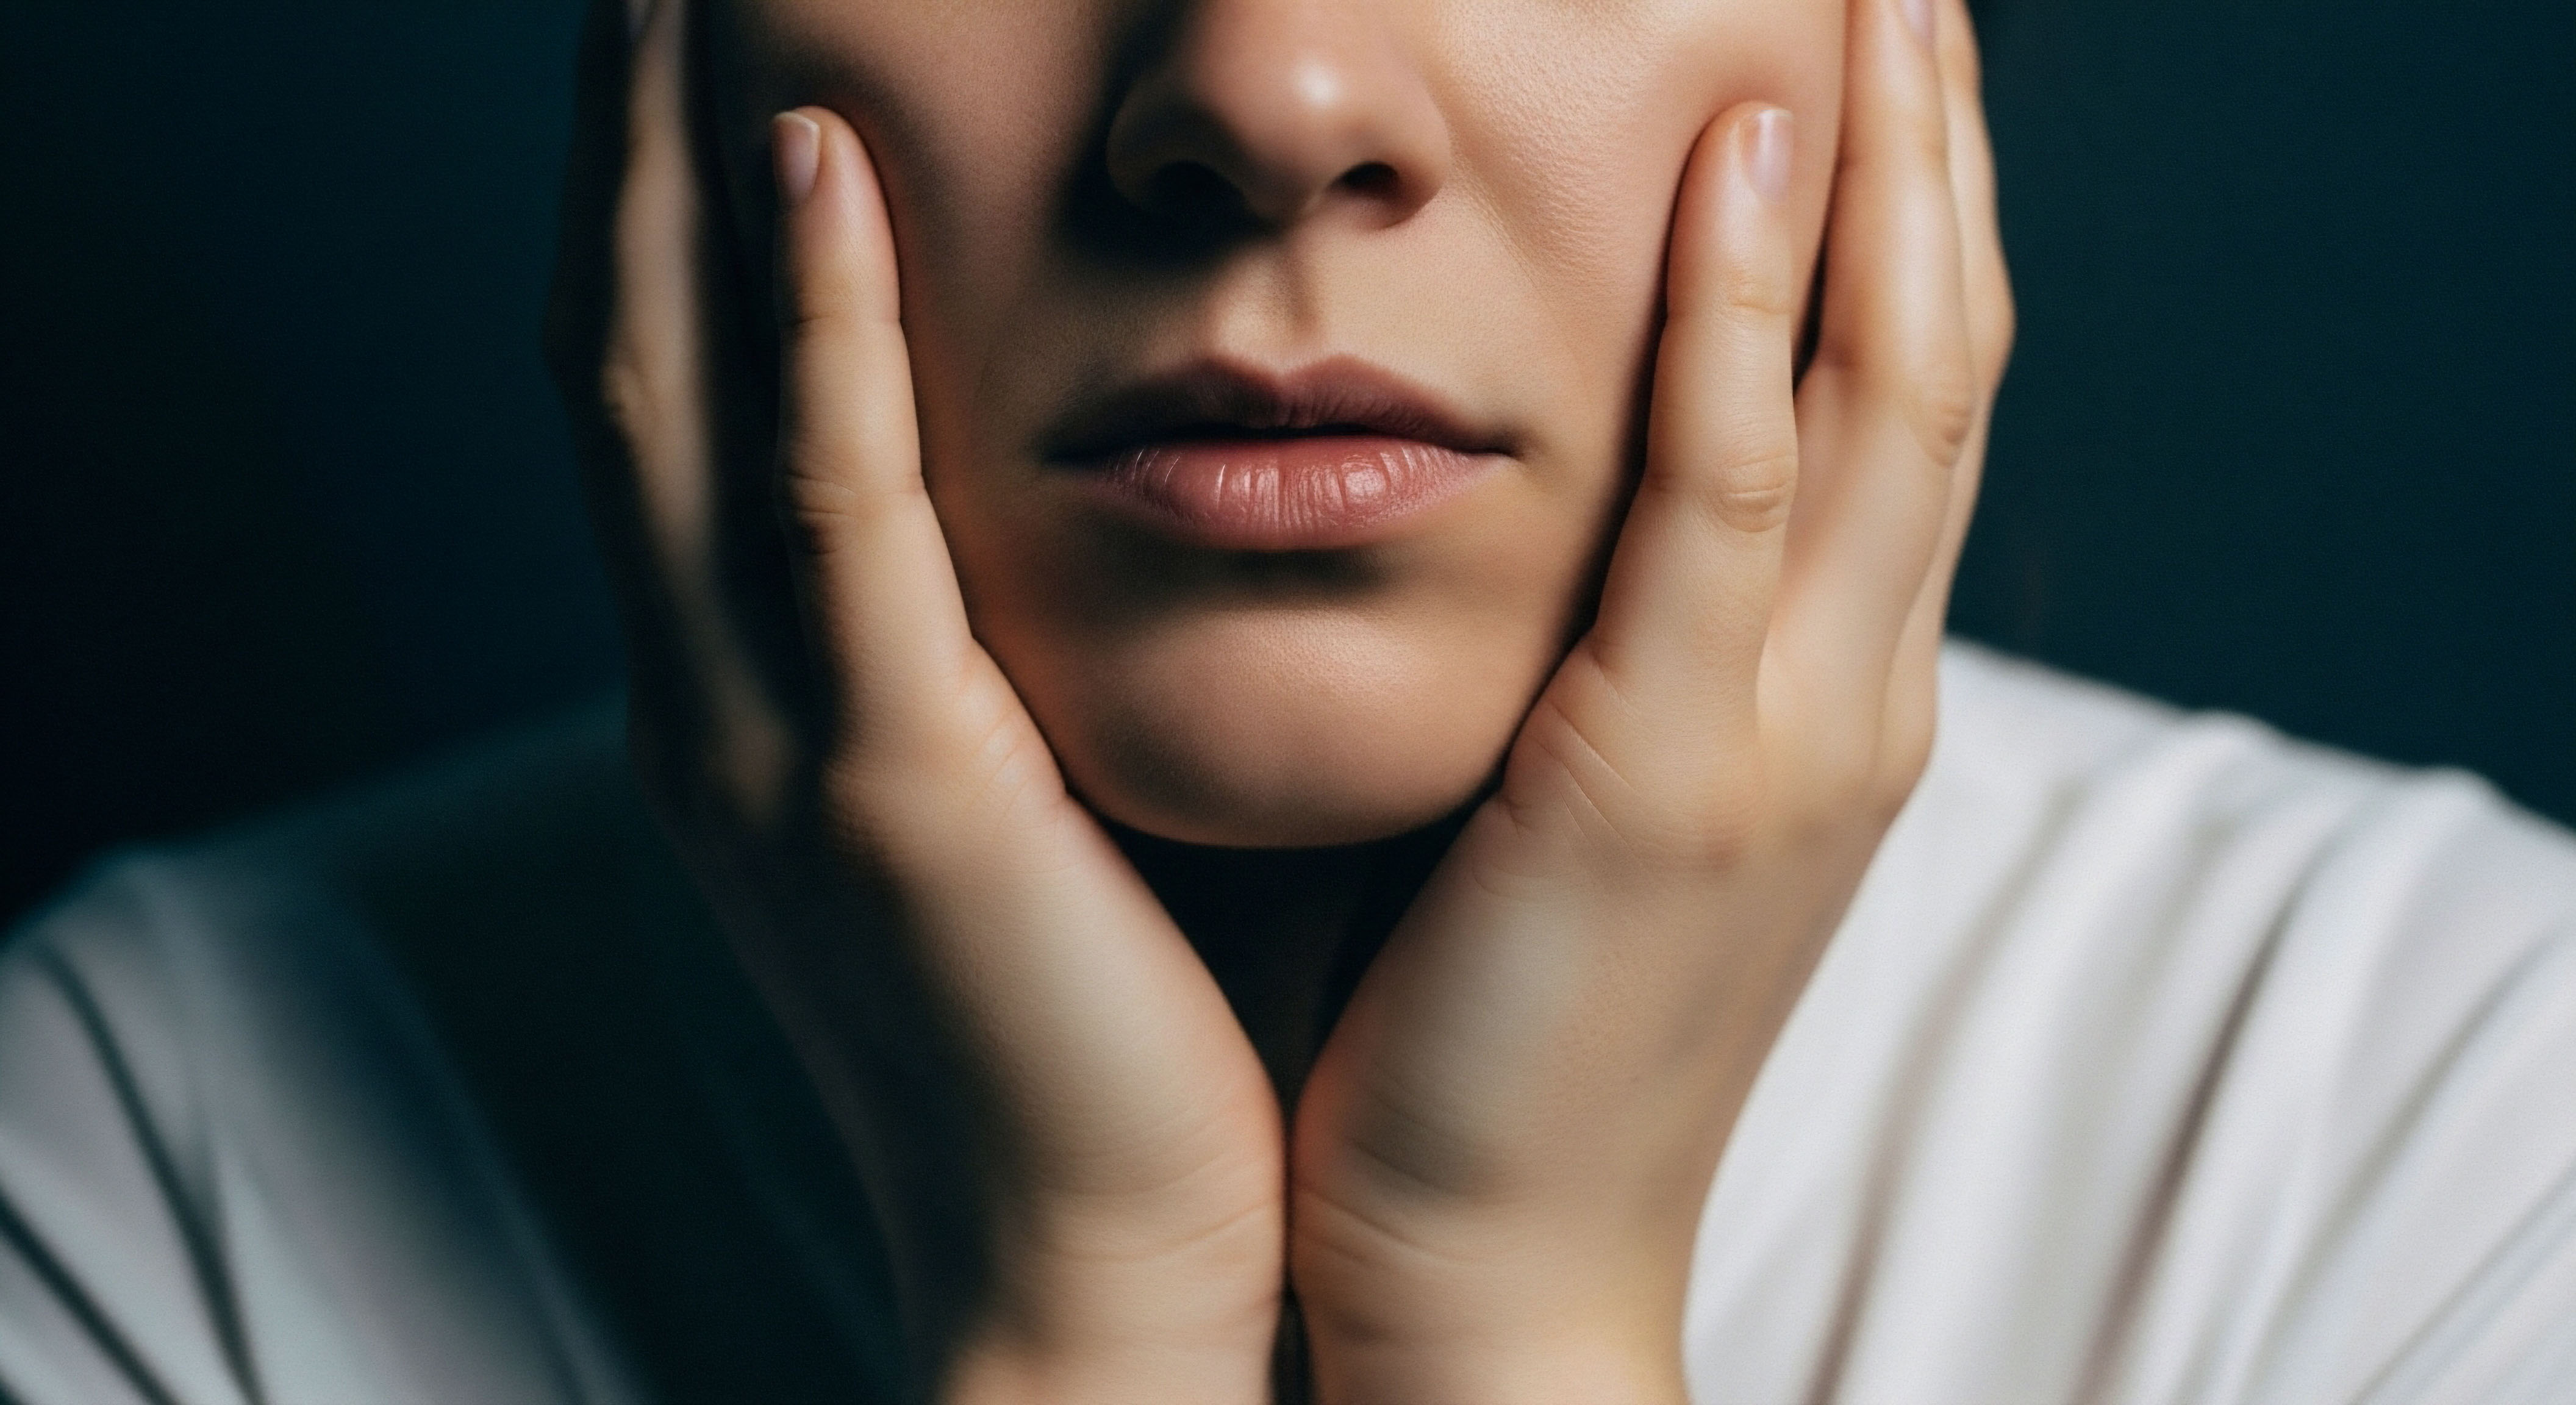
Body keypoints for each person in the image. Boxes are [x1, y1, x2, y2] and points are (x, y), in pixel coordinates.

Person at [2, 0, 2569, 1400]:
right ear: (660, 54)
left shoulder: (2448, 1120)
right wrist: (1083, 1324)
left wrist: (1503, 1327)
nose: (1269, 93)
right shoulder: (152, 1161)